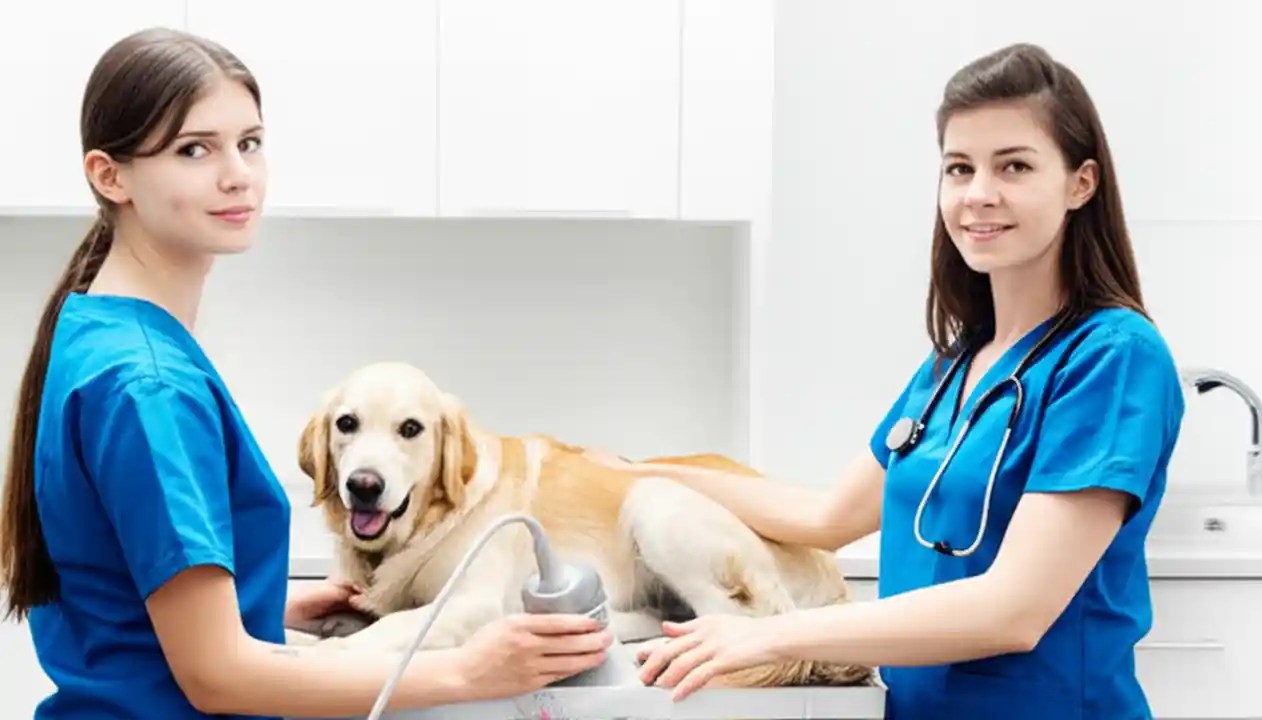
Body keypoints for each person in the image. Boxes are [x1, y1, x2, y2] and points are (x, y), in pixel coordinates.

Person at [0, 27, 611, 719]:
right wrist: (468, 672)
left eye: (250, 142)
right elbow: (218, 678)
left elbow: (111, 587)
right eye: (194, 149)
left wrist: (262, 605)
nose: (238, 174)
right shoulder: (150, 386)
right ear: (109, 176)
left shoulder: (95, 330)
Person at [613, 43, 1185, 719]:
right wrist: (633, 473)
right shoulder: (954, 365)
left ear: (1081, 183)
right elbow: (826, 518)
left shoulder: (1113, 357)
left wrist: (766, 636)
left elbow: (1014, 610)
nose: (979, 194)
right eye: (959, 167)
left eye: (1014, 166)